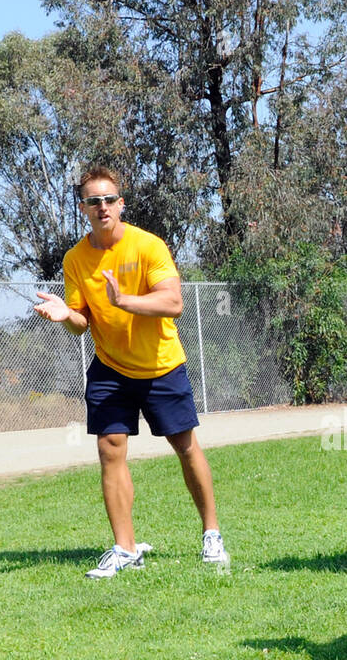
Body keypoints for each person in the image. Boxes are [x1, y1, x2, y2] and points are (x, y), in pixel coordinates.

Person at [34, 167, 229, 579]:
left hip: (161, 364)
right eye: (92, 201)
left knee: (185, 446)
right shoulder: (75, 259)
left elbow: (173, 303)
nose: (101, 207)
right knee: (110, 449)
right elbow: (81, 322)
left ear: (121, 204)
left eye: (108, 199)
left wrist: (124, 300)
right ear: (82, 208)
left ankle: (212, 534)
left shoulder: (148, 246)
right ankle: (125, 548)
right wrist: (66, 314)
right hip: (110, 367)